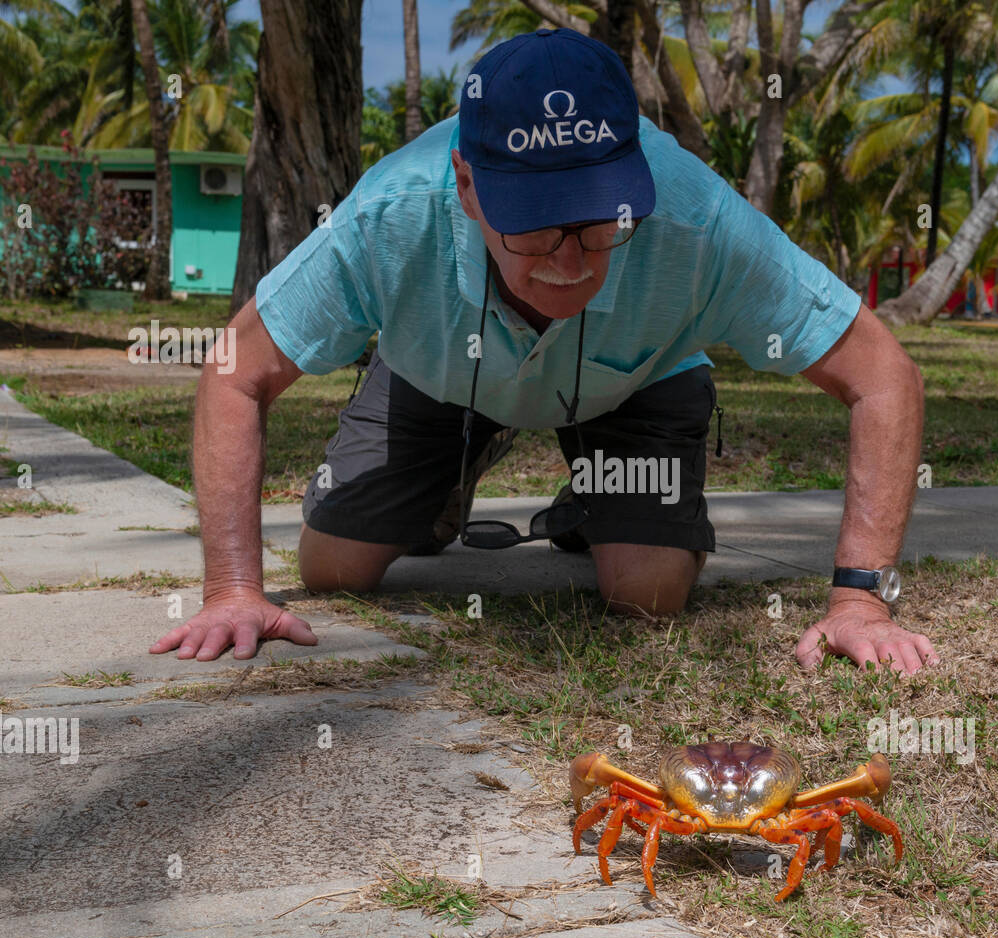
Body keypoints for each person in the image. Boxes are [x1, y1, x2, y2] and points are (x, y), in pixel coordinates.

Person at [151, 27, 938, 676]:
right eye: (533, 223)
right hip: (438, 373)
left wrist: (860, 598)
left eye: (601, 222)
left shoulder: (696, 219)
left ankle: (594, 503)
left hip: (639, 377)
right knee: (335, 569)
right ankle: (445, 482)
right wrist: (231, 589)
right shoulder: (389, 216)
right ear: (467, 184)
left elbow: (883, 377)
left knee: (646, 595)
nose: (570, 261)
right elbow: (233, 372)